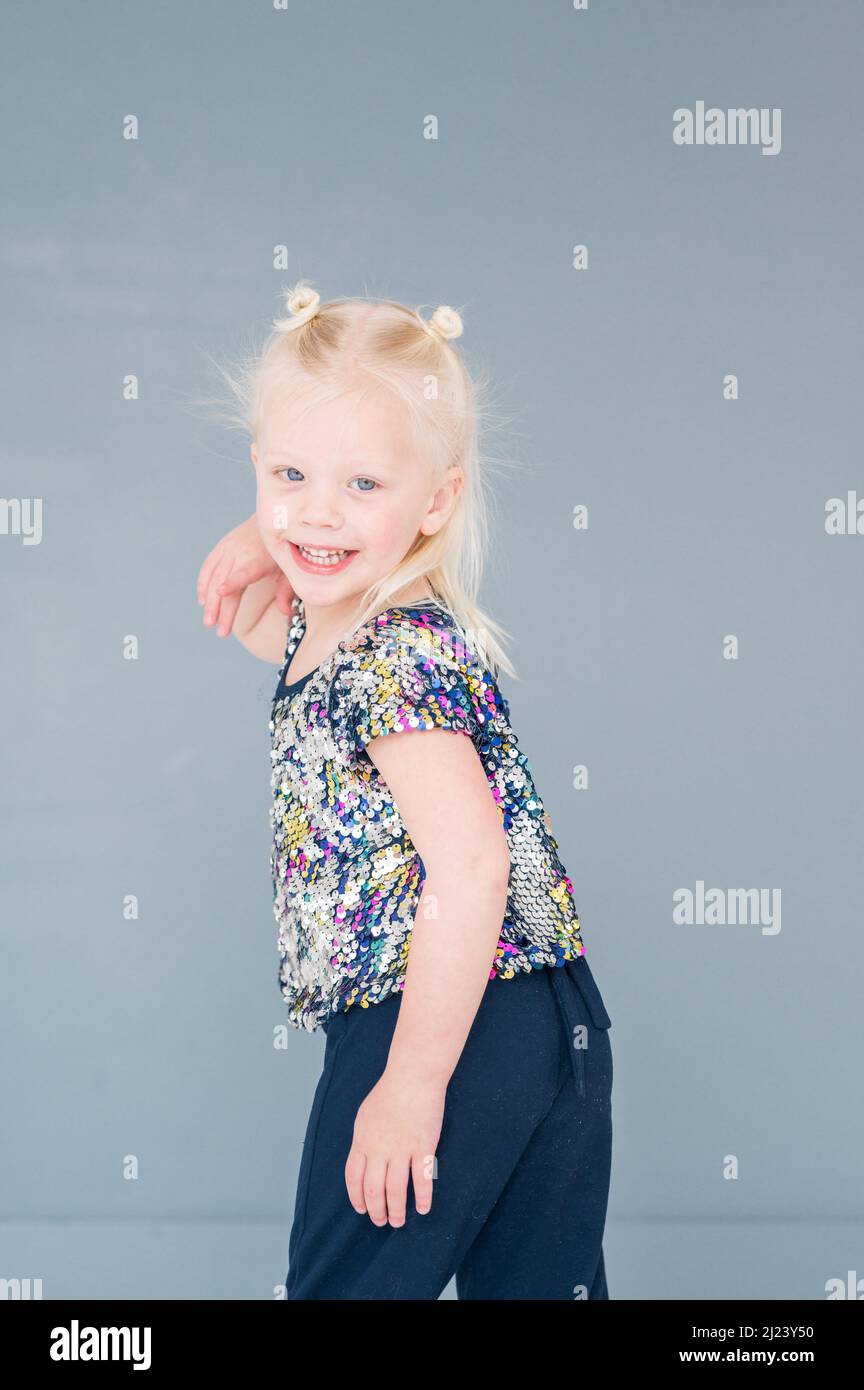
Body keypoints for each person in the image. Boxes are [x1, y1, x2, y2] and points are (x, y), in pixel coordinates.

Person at [195, 283, 614, 1299]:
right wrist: (271, 532)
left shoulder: (392, 654)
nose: (321, 510)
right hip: (544, 1022)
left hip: (448, 1016)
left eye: (364, 485)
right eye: (292, 471)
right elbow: (236, 603)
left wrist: (413, 1083)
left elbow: (471, 864)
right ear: (256, 464)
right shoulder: (329, 628)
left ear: (436, 501)